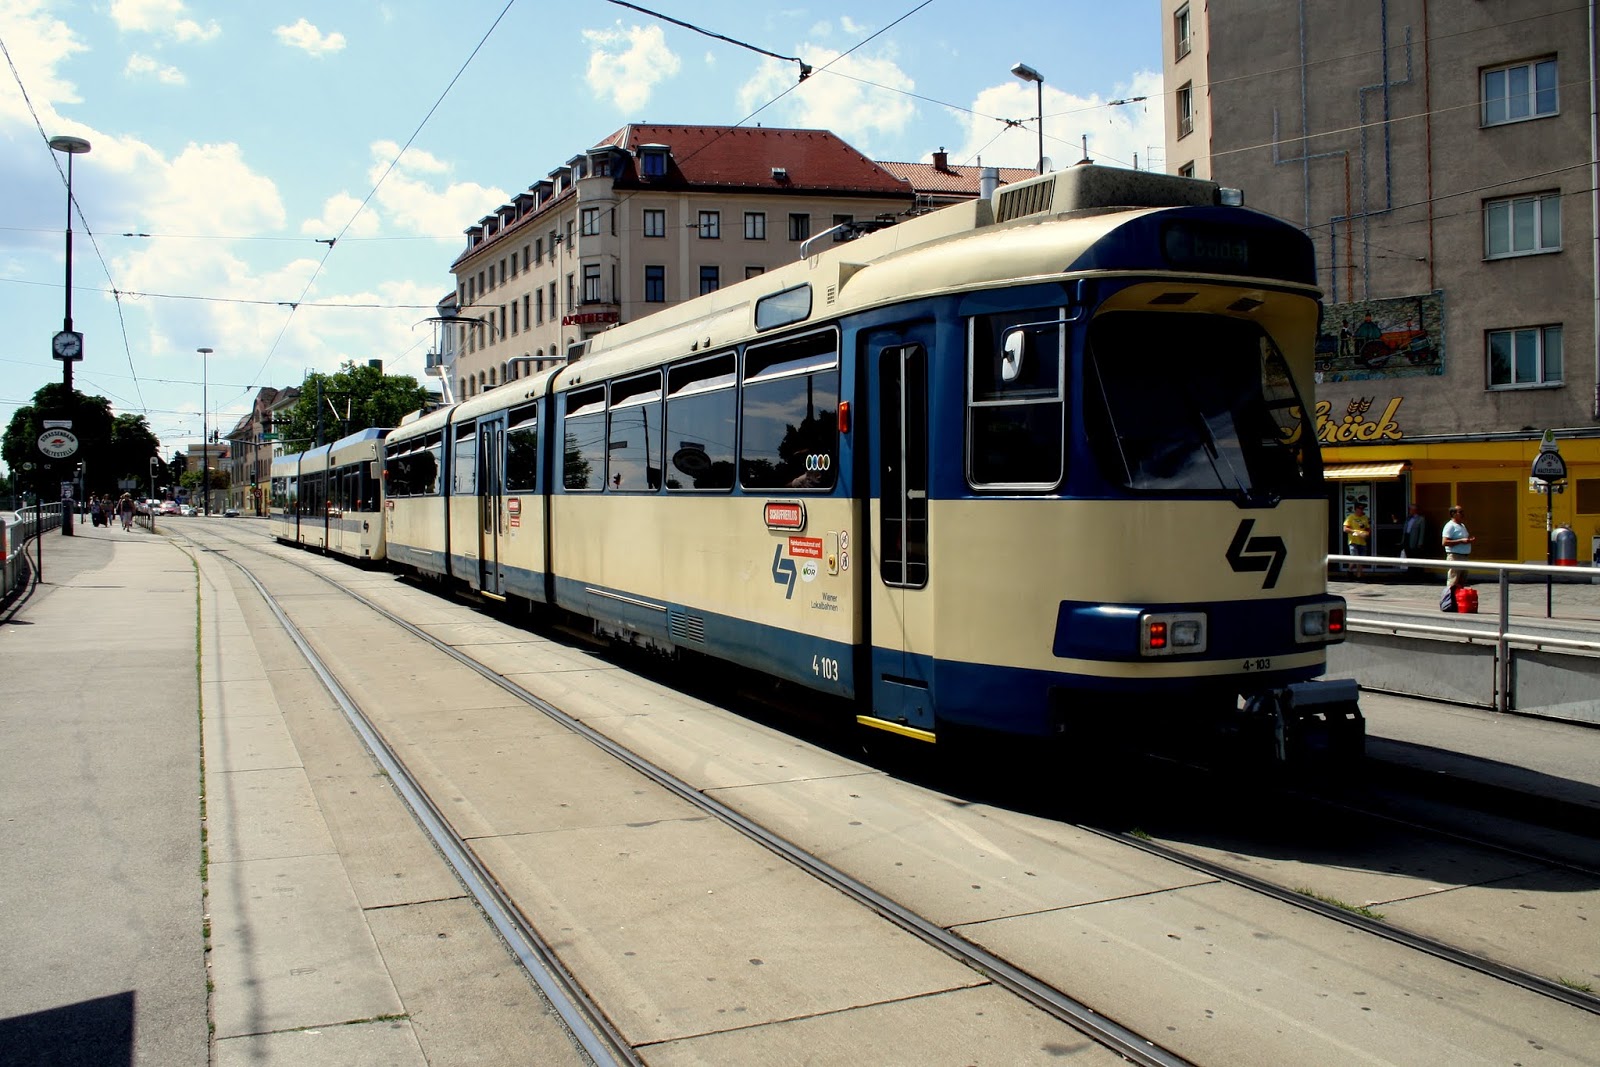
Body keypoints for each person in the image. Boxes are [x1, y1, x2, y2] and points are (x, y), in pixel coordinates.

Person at [1441, 503, 1474, 582]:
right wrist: (1461, 541)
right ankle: (1451, 594)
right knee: (1453, 581)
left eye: (1463, 512)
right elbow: (1444, 542)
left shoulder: (1462, 525)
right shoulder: (1450, 526)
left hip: (1464, 557)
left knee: (1461, 582)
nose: (1463, 514)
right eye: (1460, 512)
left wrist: (1469, 540)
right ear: (1453, 514)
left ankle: (1458, 595)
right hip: (1455, 557)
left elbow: (1463, 538)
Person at [1342, 500, 1371, 578]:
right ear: (1355, 509)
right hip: (1353, 541)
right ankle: (1350, 570)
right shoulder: (1350, 517)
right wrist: (1355, 532)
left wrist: (1366, 534)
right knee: (1355, 558)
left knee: (1361, 560)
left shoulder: (1365, 518)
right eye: (1359, 508)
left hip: (1362, 542)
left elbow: (1368, 529)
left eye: (1362, 509)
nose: (1361, 510)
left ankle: (1359, 576)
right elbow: (1345, 529)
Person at [1401, 502, 1427, 578]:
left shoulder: (1421, 519)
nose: (1410, 511)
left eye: (1411, 510)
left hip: (1415, 541)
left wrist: (1420, 542)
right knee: (1408, 555)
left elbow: (1422, 531)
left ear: (1415, 510)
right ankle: (1410, 571)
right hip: (1407, 538)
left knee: (1415, 557)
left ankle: (1417, 573)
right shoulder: (1408, 518)